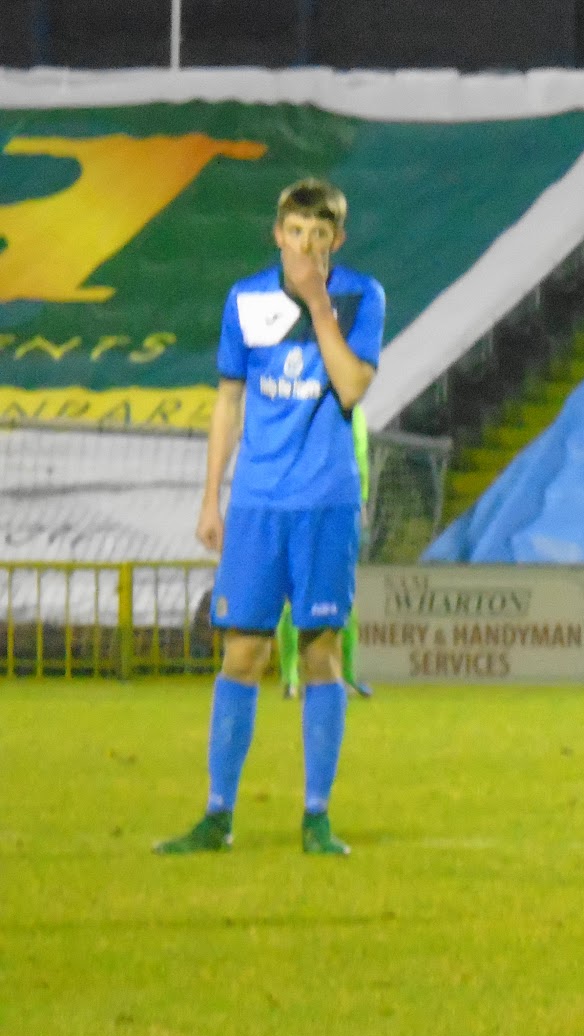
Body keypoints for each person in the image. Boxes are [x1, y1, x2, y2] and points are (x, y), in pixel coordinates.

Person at [154, 177, 385, 857]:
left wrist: (318, 307)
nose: (307, 244)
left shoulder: (359, 297)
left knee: (320, 652)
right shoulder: (244, 299)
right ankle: (217, 814)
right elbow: (229, 399)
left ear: (337, 240)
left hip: (325, 499)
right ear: (277, 234)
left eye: (320, 234)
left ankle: (316, 815)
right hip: (257, 502)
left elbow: (351, 385)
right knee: (243, 652)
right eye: (295, 232)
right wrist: (210, 496)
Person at [279, 401, 373, 700]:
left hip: (339, 508)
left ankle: (342, 675)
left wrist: (361, 501)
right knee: (298, 594)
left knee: (340, 595)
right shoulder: (299, 406)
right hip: (304, 507)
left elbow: (359, 458)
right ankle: (293, 676)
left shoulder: (353, 410)